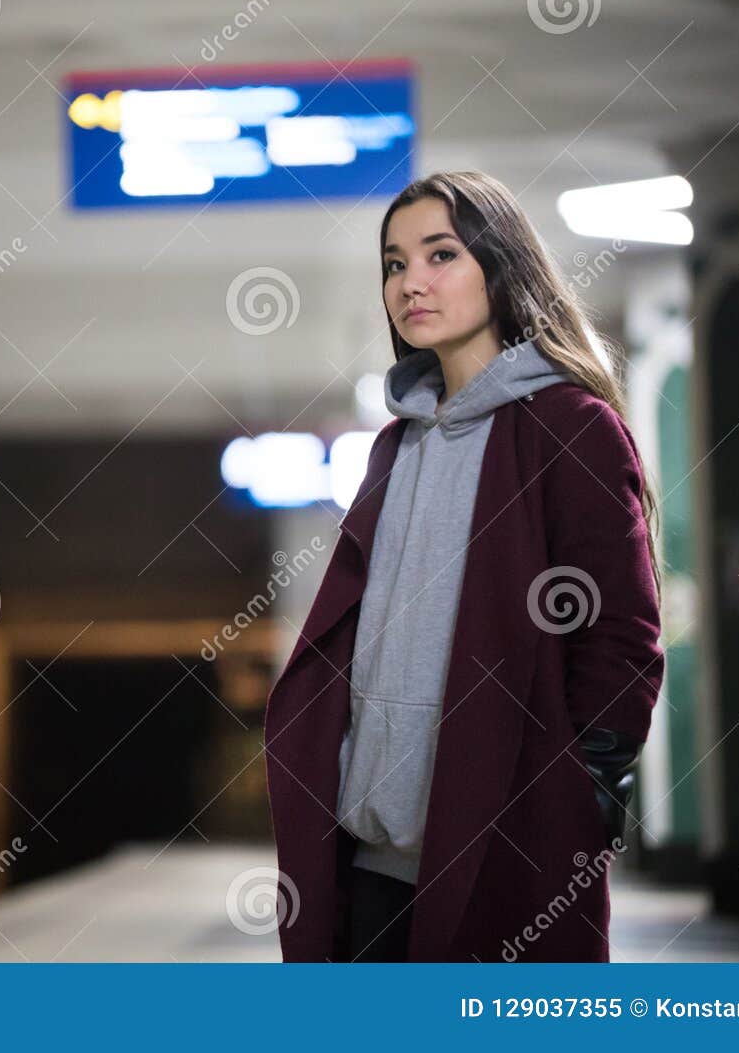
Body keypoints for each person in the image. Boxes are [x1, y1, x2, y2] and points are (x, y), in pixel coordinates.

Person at [264, 170, 664, 963]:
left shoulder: (568, 427)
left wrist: (580, 795)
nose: (411, 281)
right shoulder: (394, 444)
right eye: (393, 263)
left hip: (502, 854)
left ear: (501, 264)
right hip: (370, 857)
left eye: (440, 254)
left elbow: (621, 637)